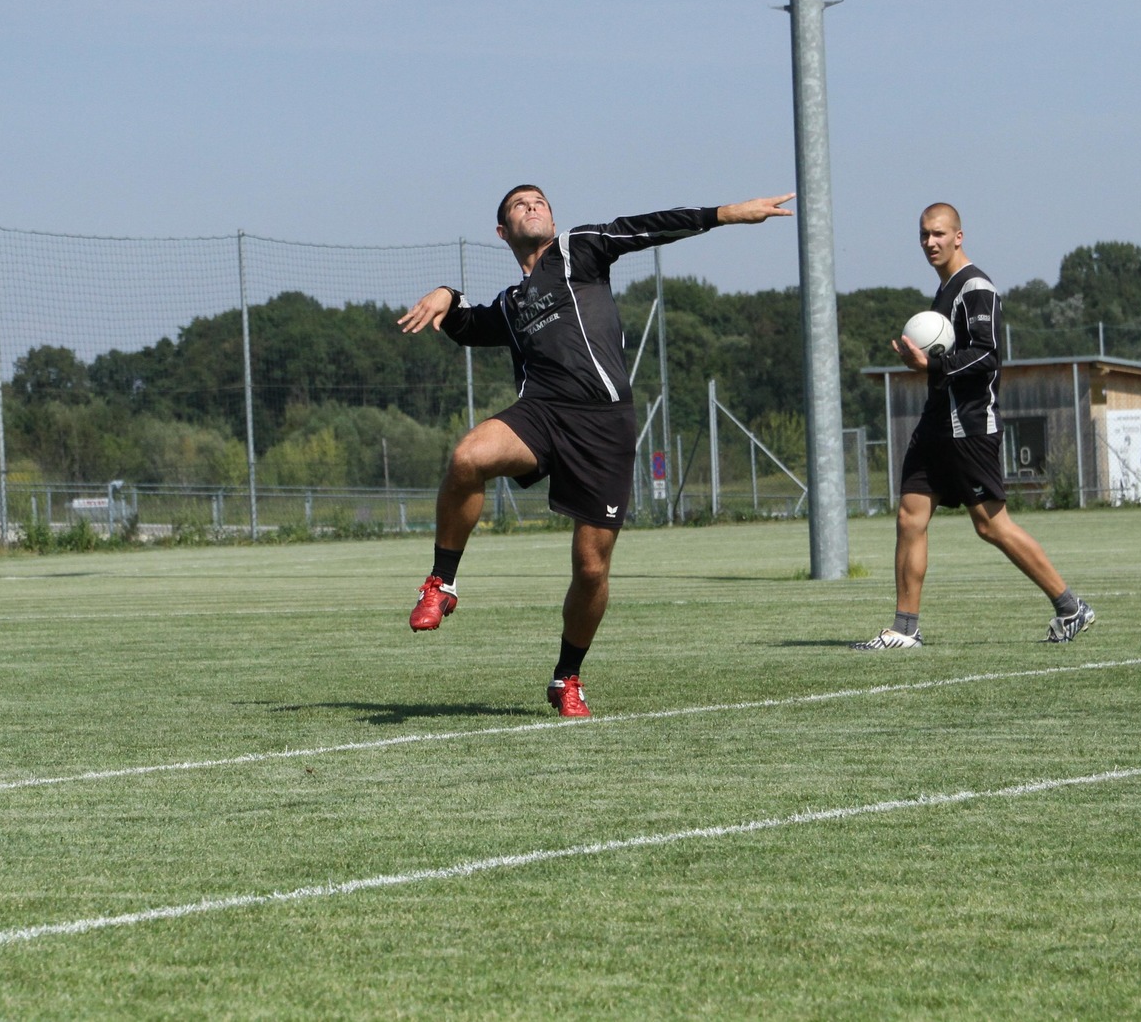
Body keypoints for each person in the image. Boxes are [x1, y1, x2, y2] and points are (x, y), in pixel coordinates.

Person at [397, 184, 796, 716]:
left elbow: (647, 226)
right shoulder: (513, 305)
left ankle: (567, 677)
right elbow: (468, 326)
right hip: (542, 414)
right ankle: (441, 582)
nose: (532, 206)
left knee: (590, 569)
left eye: (539, 201)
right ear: (502, 231)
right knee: (468, 457)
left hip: (604, 426)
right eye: (519, 205)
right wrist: (446, 293)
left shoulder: (577, 250)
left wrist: (726, 214)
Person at [857, 202, 1095, 650]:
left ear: (958, 236)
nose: (930, 242)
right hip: (935, 423)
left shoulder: (975, 288)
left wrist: (932, 363)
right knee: (910, 517)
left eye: (939, 234)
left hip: (968, 424)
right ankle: (904, 630)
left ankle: (1071, 606)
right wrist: (923, 364)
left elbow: (987, 354)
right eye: (924, 234)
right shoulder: (944, 292)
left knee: (991, 525)